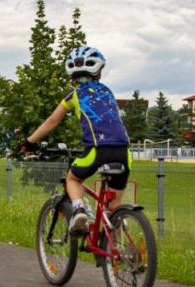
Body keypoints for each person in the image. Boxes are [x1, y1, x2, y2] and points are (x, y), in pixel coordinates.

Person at [20, 45, 131, 235]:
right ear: (99, 72)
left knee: (72, 178)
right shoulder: (108, 92)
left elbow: (52, 121)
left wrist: (29, 142)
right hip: (124, 152)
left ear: (72, 75)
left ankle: (79, 210)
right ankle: (116, 250)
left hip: (97, 149)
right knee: (113, 210)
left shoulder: (74, 95)